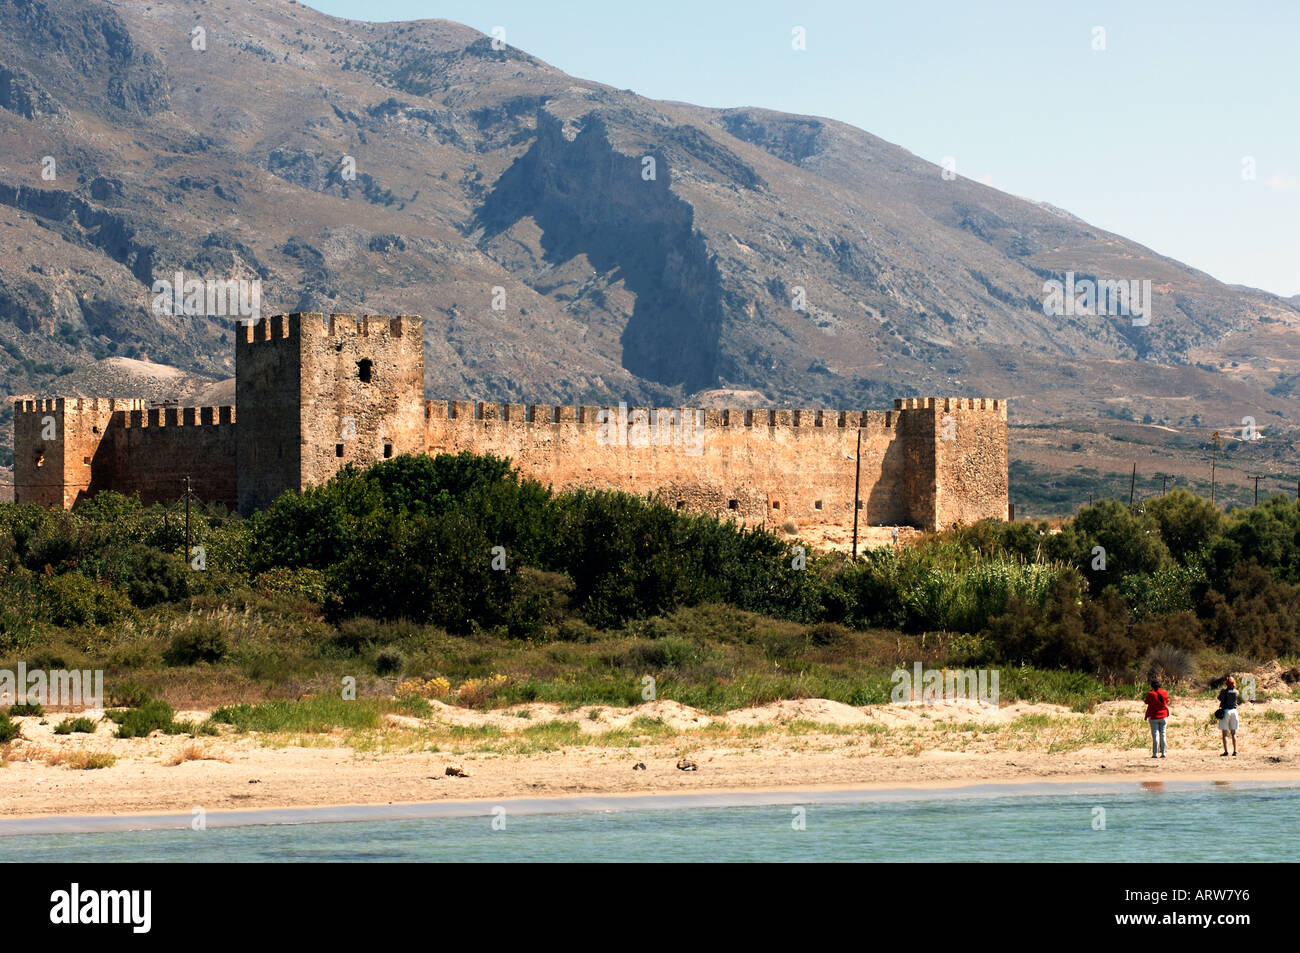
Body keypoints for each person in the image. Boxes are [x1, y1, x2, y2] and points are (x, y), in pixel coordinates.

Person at [1143, 679, 1169, 759]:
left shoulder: (1151, 694)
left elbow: (1146, 702)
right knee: (1163, 734)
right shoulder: (1164, 693)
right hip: (1163, 715)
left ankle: (1155, 753)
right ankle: (1163, 753)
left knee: (1155, 735)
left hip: (1153, 716)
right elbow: (1167, 701)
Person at [1218, 676, 1240, 757]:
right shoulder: (1236, 692)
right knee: (1233, 733)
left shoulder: (1223, 691)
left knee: (1224, 734)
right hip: (1234, 712)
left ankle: (1226, 752)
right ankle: (1235, 751)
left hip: (1226, 711)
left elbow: (1219, 698)